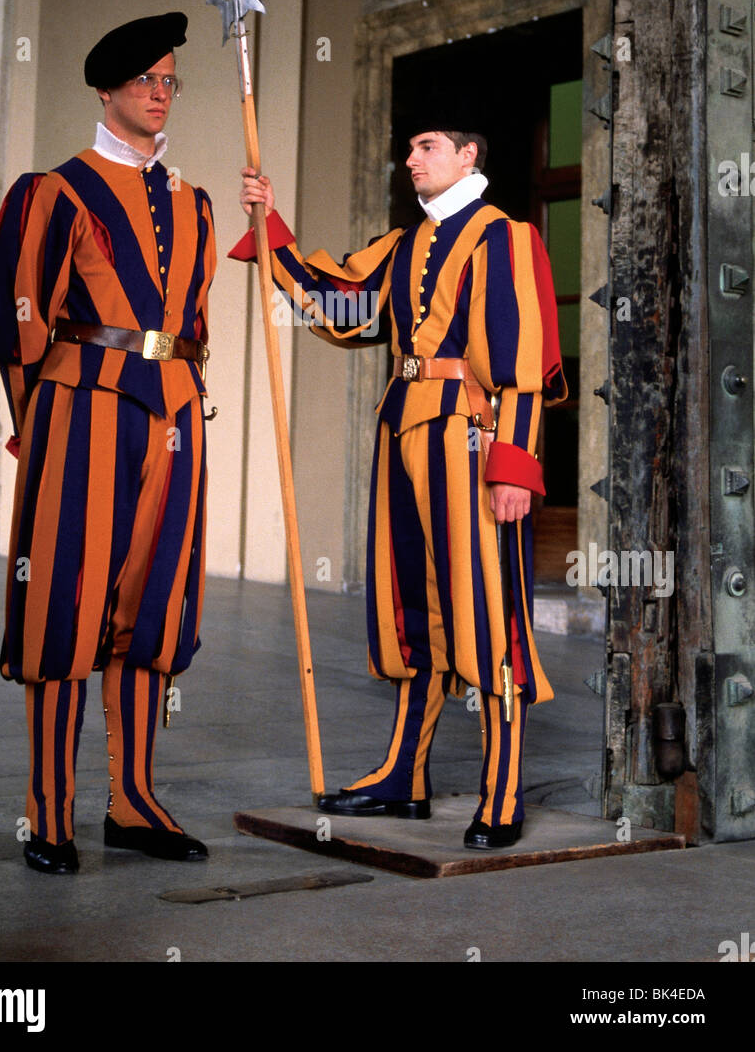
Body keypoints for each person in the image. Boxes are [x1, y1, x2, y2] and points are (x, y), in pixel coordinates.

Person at [234, 128, 566, 848]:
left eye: (427, 147)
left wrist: (514, 464)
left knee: (485, 610)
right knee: (410, 610)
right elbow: (343, 307)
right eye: (409, 151)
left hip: (472, 439)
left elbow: (524, 363)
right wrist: (272, 233)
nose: (410, 161)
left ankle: (500, 791)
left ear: (469, 155)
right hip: (402, 429)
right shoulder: (402, 241)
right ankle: (401, 778)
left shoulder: (500, 237)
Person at [0, 12, 215, 873]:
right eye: (145, 79)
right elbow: (11, 320)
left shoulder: (195, 203)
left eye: (169, 80)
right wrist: (34, 425)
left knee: (154, 611)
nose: (159, 93)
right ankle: (50, 813)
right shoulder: (52, 190)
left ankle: (134, 801)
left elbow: (194, 322)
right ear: (105, 90)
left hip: (176, 414)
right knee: (61, 606)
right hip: (79, 411)